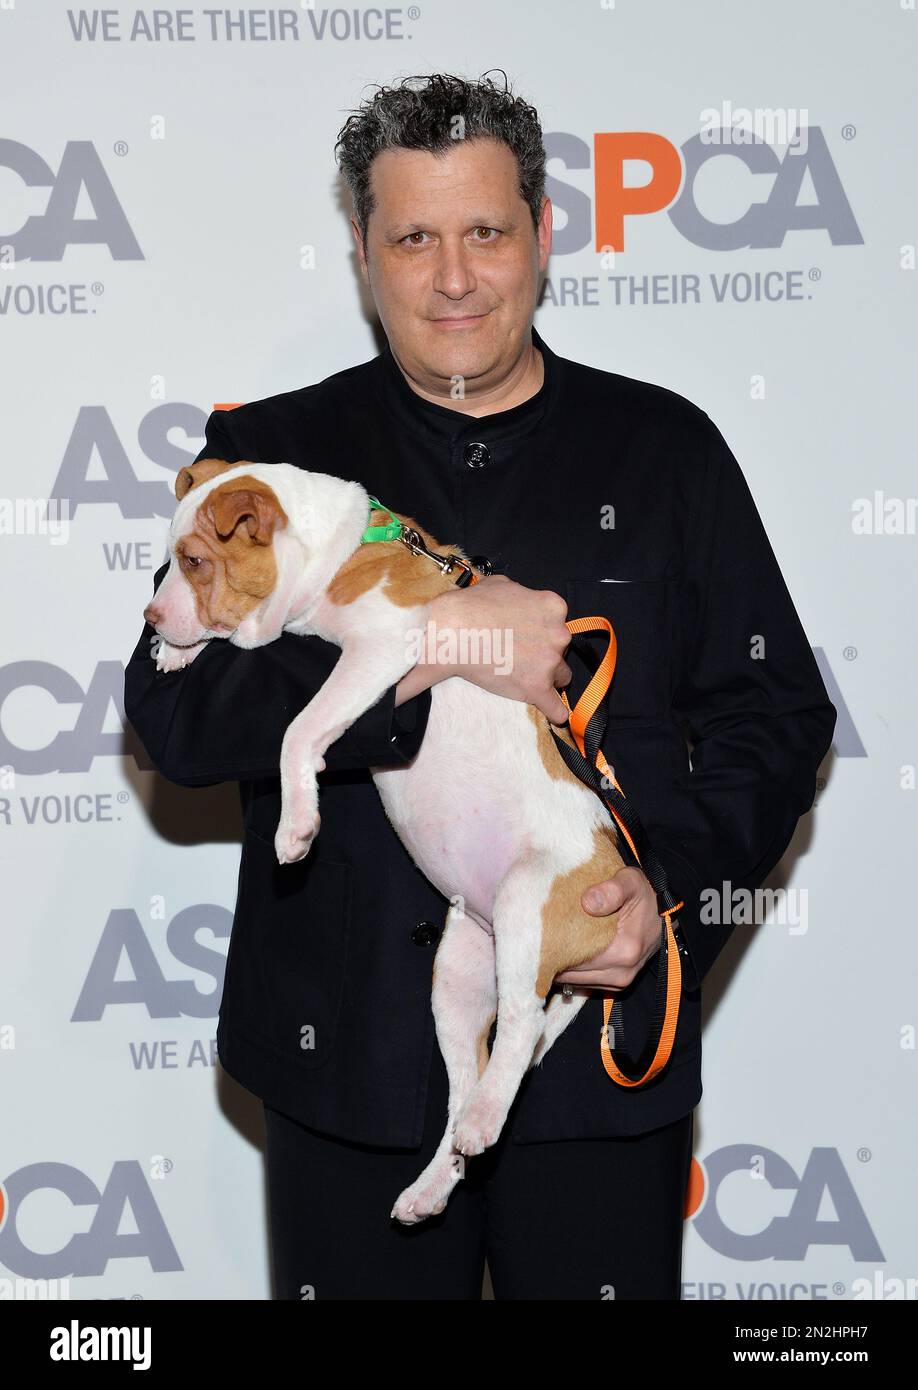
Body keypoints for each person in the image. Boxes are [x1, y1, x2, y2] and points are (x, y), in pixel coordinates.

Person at [123, 71, 837, 1300]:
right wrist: (448, 642)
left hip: (596, 1075)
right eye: (412, 237)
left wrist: (655, 904)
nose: (454, 277)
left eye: (486, 232)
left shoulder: (666, 450)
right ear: (362, 253)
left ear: (544, 232)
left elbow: (776, 715)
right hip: (340, 1075)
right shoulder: (271, 461)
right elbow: (173, 714)